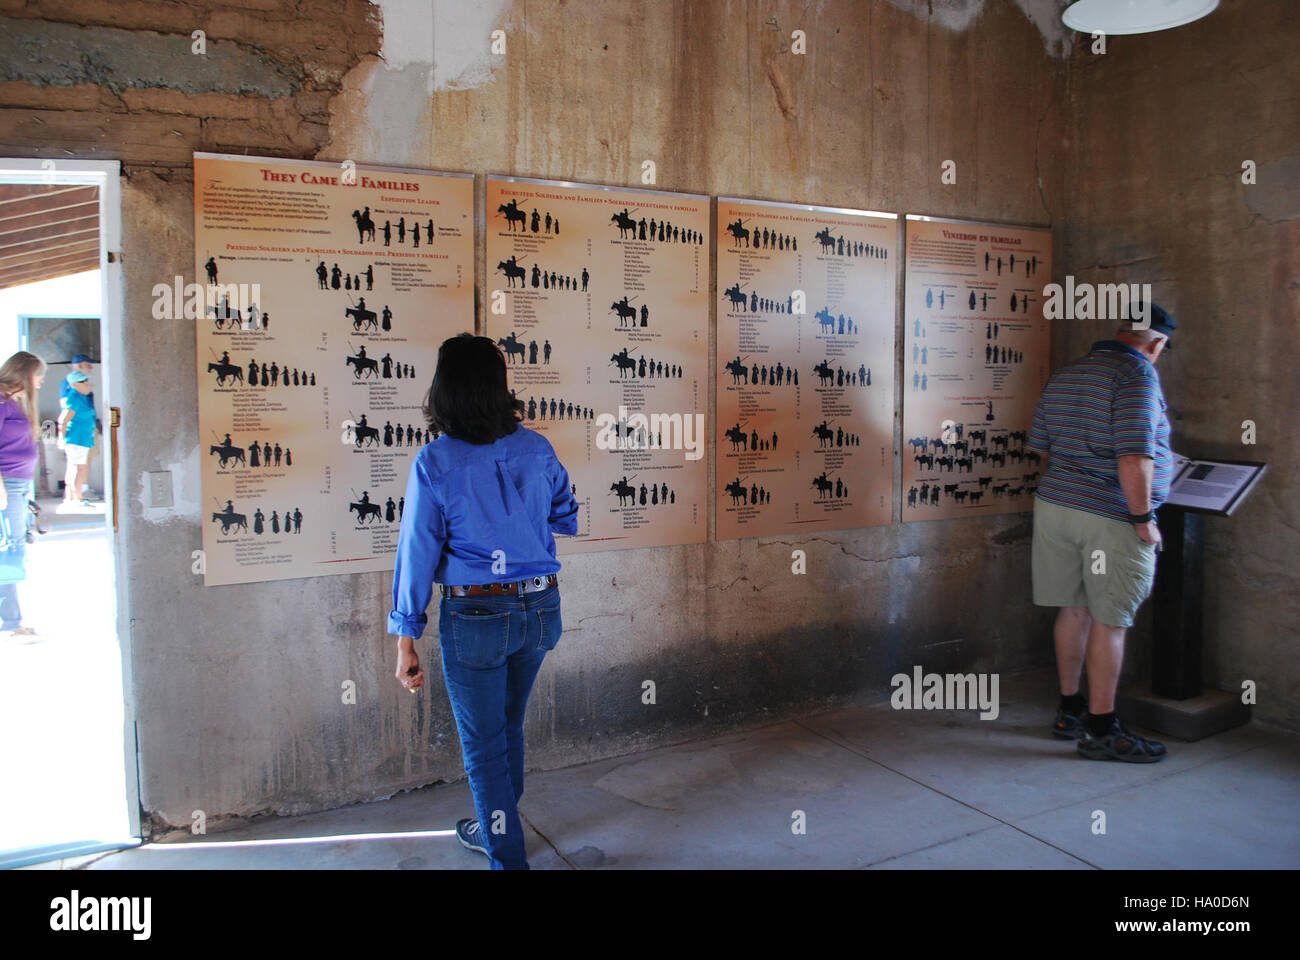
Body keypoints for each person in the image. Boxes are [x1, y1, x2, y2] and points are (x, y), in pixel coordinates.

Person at [388, 334, 578, 870]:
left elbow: (417, 553)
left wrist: (407, 638)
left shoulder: (435, 461)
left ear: (443, 391)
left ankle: (506, 857)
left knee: (484, 748)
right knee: (506, 729)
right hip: (541, 611)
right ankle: (495, 825)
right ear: (499, 388)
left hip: (476, 617)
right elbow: (565, 511)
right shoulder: (536, 448)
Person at [1028, 305, 1177, 762]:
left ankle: (1068, 710)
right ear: (1155, 344)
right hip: (1110, 516)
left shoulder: (1068, 374)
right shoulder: (1137, 377)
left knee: (1073, 611)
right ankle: (1101, 729)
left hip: (1056, 507)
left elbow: (1041, 445)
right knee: (1111, 620)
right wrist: (1142, 518)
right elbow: (1134, 456)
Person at [0, 351, 46, 640]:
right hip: (7, 486)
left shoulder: (15, 402)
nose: (41, 380)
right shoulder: (2, 402)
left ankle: (12, 621)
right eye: (38, 374)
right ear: (24, 373)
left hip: (18, 486)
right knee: (9, 550)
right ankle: (12, 623)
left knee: (11, 550)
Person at [57, 358, 100, 509]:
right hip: (76, 439)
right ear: (75, 385)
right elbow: (64, 419)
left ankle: (76, 497)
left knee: (78, 467)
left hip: (82, 439)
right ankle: (75, 498)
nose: (88, 385)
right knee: (76, 468)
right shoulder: (74, 397)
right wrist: (61, 438)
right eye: (85, 383)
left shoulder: (81, 397)